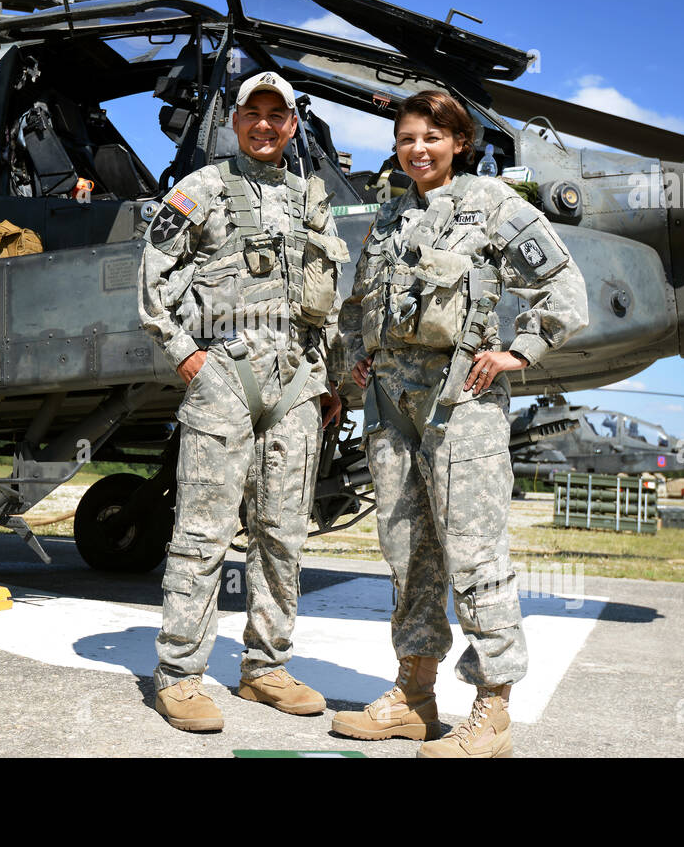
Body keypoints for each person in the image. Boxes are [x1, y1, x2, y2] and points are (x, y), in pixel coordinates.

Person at [331, 90, 588, 757]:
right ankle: (414, 697)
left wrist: (517, 351)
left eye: (432, 138)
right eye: (407, 137)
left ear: (459, 143)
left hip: (460, 409)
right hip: (391, 411)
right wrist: (358, 358)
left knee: (475, 556)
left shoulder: (496, 206)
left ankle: (493, 710)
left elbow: (565, 292)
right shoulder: (387, 216)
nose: (418, 148)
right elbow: (362, 298)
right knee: (409, 556)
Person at [138, 71, 348, 732]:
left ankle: (265, 667)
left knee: (283, 534)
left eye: (276, 114)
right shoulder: (199, 190)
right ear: (235, 123)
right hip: (225, 375)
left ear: (292, 124)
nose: (264, 124)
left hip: (298, 384)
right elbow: (152, 279)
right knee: (201, 532)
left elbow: (328, 290)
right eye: (251, 113)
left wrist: (329, 377)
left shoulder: (314, 197)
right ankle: (178, 674)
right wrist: (185, 355)